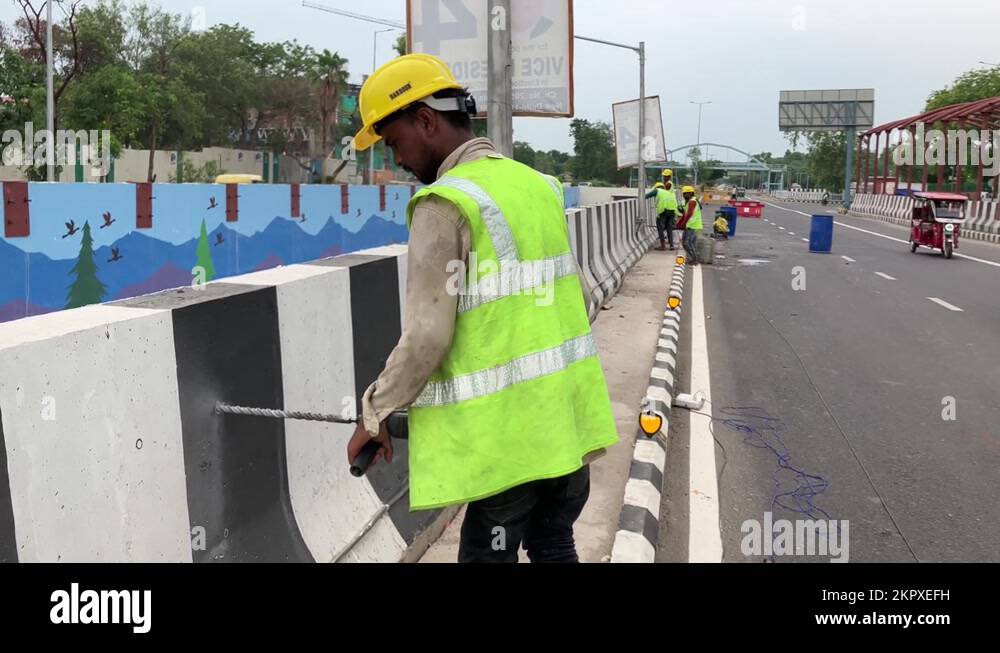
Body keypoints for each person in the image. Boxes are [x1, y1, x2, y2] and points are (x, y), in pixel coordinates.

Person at [345, 53, 619, 563]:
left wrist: (376, 410)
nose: (396, 160)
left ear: (425, 120)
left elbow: (427, 336)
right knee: (554, 544)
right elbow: (575, 296)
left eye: (393, 142)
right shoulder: (539, 186)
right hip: (567, 432)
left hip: (510, 453)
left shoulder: (444, 205)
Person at [644, 180, 679, 250]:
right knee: (669, 228)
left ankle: (663, 246)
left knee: (660, 227)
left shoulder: (657, 190)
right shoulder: (670, 193)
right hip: (672, 211)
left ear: (656, 187)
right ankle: (671, 245)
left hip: (663, 211)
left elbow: (646, 196)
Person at [675, 185, 704, 265]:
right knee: (686, 243)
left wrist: (683, 224)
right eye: (684, 194)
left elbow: (689, 214)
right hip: (689, 225)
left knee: (687, 243)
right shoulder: (688, 202)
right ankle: (695, 258)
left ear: (691, 194)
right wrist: (679, 224)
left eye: (686, 194)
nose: (684, 196)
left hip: (693, 225)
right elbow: (684, 215)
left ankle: (695, 259)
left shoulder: (692, 201)